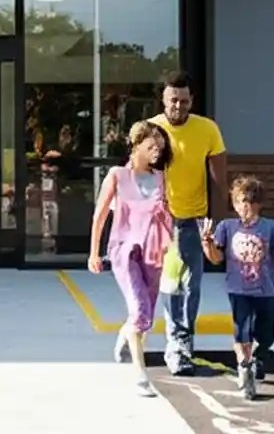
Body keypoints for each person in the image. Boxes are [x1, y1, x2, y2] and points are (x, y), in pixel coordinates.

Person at [87, 120, 175, 397]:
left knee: (146, 314)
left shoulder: (161, 178)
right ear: (136, 146)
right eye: (151, 147)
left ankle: (127, 333)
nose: (156, 153)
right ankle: (140, 373)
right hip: (123, 250)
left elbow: (166, 217)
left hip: (153, 250)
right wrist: (93, 253)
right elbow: (100, 215)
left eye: (159, 148)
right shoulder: (116, 175)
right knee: (139, 309)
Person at [149, 69, 227, 376]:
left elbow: (220, 180)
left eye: (183, 100)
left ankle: (183, 339)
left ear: (191, 100)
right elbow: (139, 173)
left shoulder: (207, 129)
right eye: (173, 100)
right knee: (171, 284)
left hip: (196, 219)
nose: (178, 106)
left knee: (191, 284)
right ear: (163, 100)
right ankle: (176, 344)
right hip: (164, 220)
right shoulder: (152, 129)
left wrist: (218, 223)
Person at [201, 175, 274, 400]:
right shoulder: (227, 227)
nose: (244, 207)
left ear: (258, 204)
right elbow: (216, 258)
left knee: (266, 336)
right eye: (239, 202)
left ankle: (258, 354)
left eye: (249, 202)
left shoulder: (268, 227)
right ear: (233, 204)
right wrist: (207, 244)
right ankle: (244, 368)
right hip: (238, 290)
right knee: (242, 332)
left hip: (265, 289)